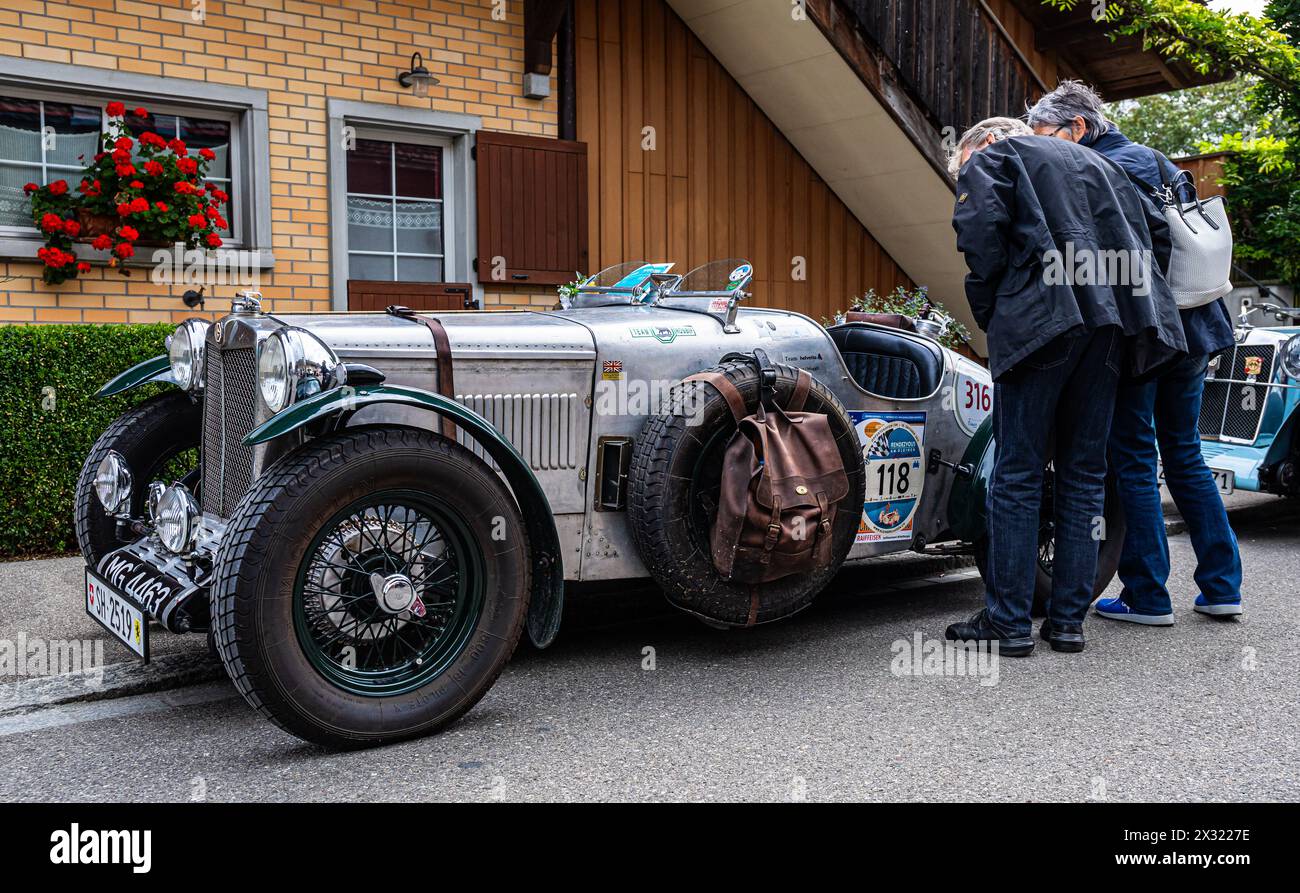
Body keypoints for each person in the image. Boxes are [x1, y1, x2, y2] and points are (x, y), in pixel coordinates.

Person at [946, 118, 1186, 656]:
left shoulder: (997, 157)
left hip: (1038, 322)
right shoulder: (1104, 164)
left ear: (984, 142)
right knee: (1083, 472)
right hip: (1109, 327)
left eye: (961, 169)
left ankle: (1007, 624)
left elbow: (980, 236)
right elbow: (1160, 235)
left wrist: (995, 310)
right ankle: (1068, 622)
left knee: (1017, 472)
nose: (965, 178)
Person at [1028, 80, 1244, 623]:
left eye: (1046, 136)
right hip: (1199, 325)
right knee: (1185, 452)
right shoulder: (1152, 159)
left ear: (1076, 128)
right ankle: (1222, 585)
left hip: (1151, 334)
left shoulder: (1101, 168)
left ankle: (1147, 594)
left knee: (1133, 458)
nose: (1041, 149)